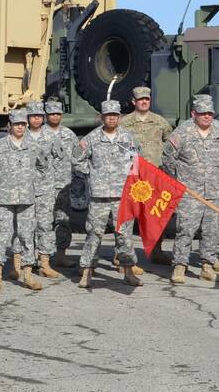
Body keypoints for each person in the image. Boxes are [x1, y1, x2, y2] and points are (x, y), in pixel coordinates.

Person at [161, 94, 219, 284]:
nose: (206, 117)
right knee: (185, 229)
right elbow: (168, 158)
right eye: (202, 113)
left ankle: (207, 266)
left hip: (214, 191)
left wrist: (216, 171)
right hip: (189, 192)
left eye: (210, 113)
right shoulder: (182, 132)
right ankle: (180, 266)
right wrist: (178, 180)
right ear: (194, 113)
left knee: (212, 230)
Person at [74, 100, 141, 289]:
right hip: (99, 196)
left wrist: (132, 179)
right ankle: (87, 272)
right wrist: (92, 173)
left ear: (119, 117)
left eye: (115, 115)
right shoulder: (91, 139)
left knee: (125, 235)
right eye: (108, 115)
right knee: (94, 234)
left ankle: (128, 271)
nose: (111, 118)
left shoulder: (128, 138)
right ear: (102, 117)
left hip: (122, 196)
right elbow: (76, 159)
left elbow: (136, 159)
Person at [0, 109, 48, 292]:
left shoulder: (33, 146)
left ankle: (27, 276)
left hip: (26, 199)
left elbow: (43, 166)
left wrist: (31, 179)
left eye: (22, 124)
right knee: (0, 237)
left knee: (27, 237)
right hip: (4, 200)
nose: (20, 127)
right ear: (9, 126)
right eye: (16, 124)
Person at [119, 85, 174, 266]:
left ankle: (156, 251)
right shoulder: (124, 123)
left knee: (156, 213)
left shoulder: (160, 122)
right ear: (134, 102)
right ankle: (122, 254)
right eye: (140, 99)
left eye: (147, 99)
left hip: (154, 175)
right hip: (133, 176)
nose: (144, 102)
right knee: (127, 216)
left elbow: (170, 144)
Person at [25, 101, 62, 279]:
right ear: (28, 118)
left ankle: (44, 262)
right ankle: (25, 261)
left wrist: (55, 181)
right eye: (33, 116)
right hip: (24, 188)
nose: (36, 119)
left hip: (45, 188)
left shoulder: (51, 136)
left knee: (45, 225)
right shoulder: (20, 135)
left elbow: (59, 158)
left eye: (39, 116)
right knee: (24, 226)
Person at [44, 101, 78, 268]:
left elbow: (78, 158)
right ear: (46, 115)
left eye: (57, 113)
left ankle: (60, 254)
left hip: (63, 185)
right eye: (51, 114)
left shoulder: (69, 135)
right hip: (43, 186)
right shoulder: (38, 134)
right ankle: (41, 256)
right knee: (42, 221)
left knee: (63, 220)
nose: (55, 116)